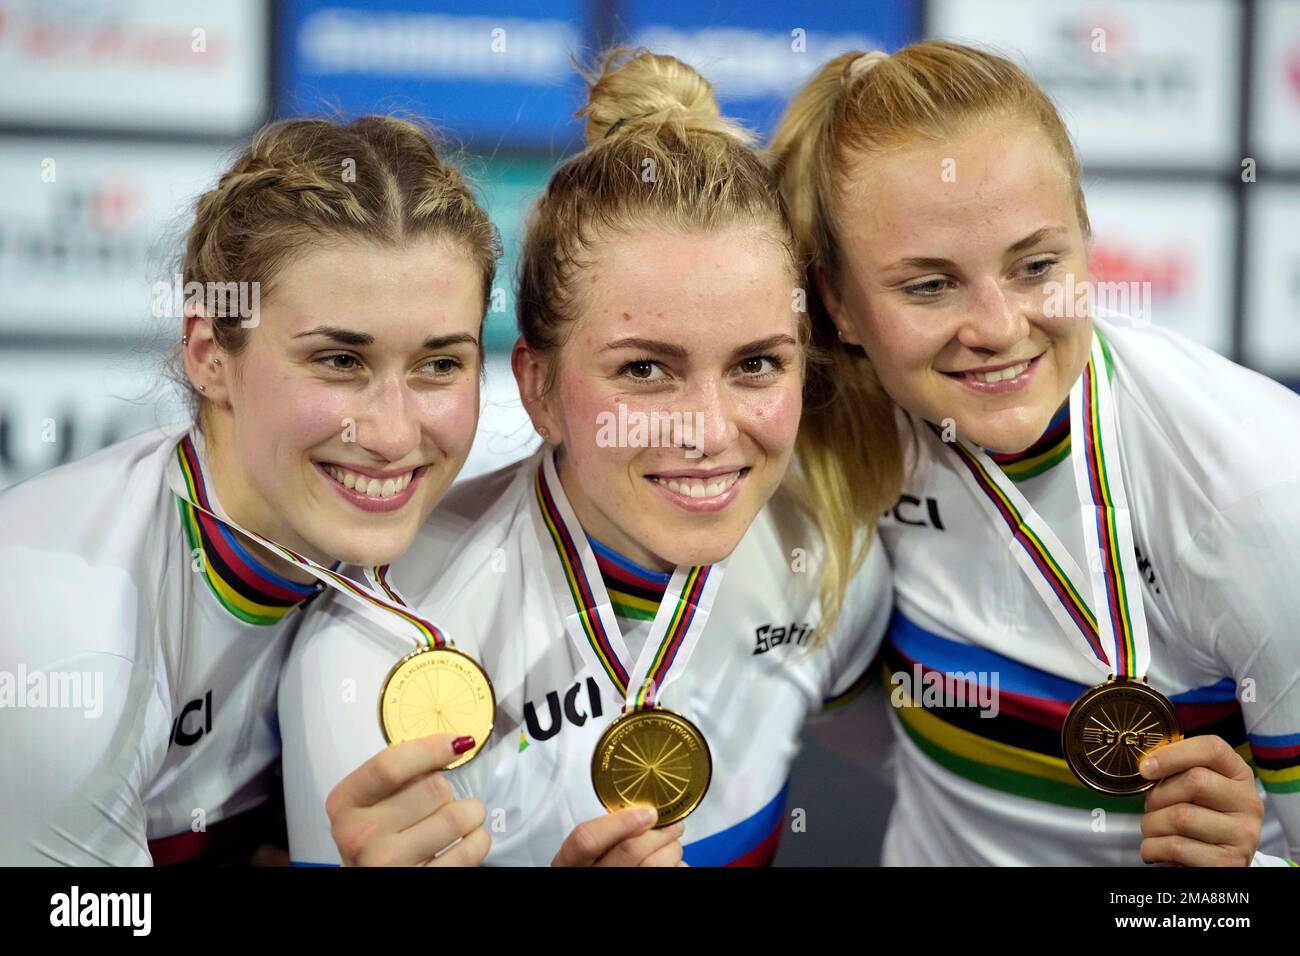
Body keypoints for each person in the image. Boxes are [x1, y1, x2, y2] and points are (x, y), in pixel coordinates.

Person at [279, 49, 900, 867]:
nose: (710, 432)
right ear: (537, 387)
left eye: (756, 365)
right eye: (646, 370)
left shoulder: (825, 556)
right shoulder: (380, 654)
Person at [768, 41, 1300, 866]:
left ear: (1087, 240)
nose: (997, 328)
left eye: (1036, 266)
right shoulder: (814, 440)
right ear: (837, 303)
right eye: (928, 285)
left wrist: (1239, 879)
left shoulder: (1256, 484)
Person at [0, 115, 501, 865]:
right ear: (209, 356)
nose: (395, 435)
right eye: (338, 360)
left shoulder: (454, 556)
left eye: (439, 366)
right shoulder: (71, 632)